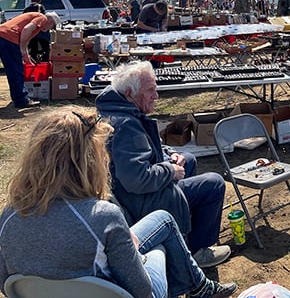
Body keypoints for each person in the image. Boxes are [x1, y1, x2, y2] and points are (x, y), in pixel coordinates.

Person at [0, 107, 237, 298]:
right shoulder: (103, 216)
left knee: (161, 220)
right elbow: (142, 290)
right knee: (161, 236)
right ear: (89, 161)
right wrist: (140, 255)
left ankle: (199, 286)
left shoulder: (8, 215)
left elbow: (6, 283)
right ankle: (197, 286)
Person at [96, 61, 230, 268]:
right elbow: (136, 180)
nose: (156, 96)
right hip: (135, 201)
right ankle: (196, 251)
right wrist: (169, 170)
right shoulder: (125, 125)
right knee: (214, 183)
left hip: (129, 190)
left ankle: (183, 228)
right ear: (130, 93)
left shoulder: (120, 109)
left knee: (188, 159)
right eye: (150, 91)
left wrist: (170, 154)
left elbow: (144, 148)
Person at [0, 11, 60, 108]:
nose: (50, 29)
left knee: (14, 69)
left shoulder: (34, 21)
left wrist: (27, 60)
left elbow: (26, 42)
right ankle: (21, 100)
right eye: (52, 26)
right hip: (9, 38)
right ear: (50, 21)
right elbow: (26, 29)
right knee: (16, 71)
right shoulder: (42, 18)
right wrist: (22, 49)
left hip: (2, 34)